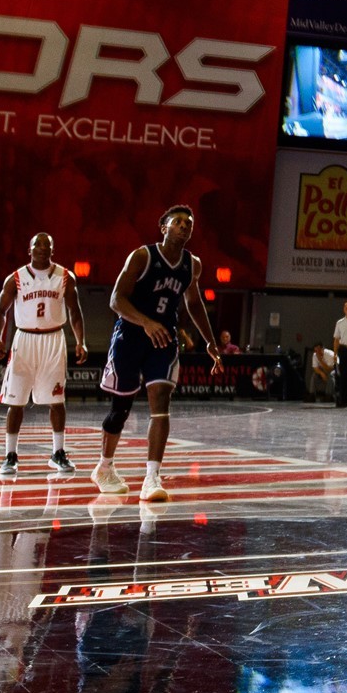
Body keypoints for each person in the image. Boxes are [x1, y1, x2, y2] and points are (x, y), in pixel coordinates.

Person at [93, 206, 223, 502]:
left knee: (161, 402)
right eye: (177, 222)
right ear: (163, 227)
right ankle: (104, 466)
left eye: (188, 223)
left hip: (164, 339)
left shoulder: (193, 265)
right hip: (130, 335)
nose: (184, 226)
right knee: (120, 409)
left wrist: (210, 342)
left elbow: (194, 303)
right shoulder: (142, 256)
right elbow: (116, 299)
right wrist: (146, 322)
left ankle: (151, 477)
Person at [0, 233, 87, 477]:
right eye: (37, 245)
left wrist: (81, 341)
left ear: (53, 250)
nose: (42, 249)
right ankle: (10, 455)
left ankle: (58, 453)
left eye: (47, 246)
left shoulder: (65, 277)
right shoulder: (16, 278)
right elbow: (0, 311)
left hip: (54, 338)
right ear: (29, 249)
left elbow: (75, 312)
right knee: (16, 401)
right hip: (24, 340)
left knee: (57, 400)